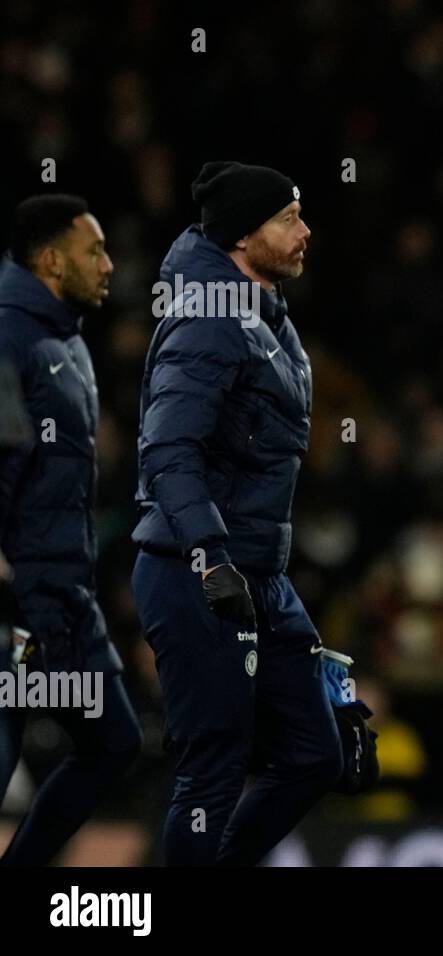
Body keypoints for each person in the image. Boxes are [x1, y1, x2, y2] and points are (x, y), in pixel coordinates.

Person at [130, 162, 341, 865]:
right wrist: (211, 555)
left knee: (318, 754)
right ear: (243, 237)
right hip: (199, 571)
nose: (305, 230)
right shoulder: (209, 319)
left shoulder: (262, 313)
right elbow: (168, 451)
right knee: (212, 769)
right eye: (289, 218)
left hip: (256, 574)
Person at [0, 194, 142, 865]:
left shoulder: (68, 342)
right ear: (51, 260)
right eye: (94, 251)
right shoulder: (8, 336)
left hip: (64, 600)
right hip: (14, 601)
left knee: (114, 741)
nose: (109, 264)